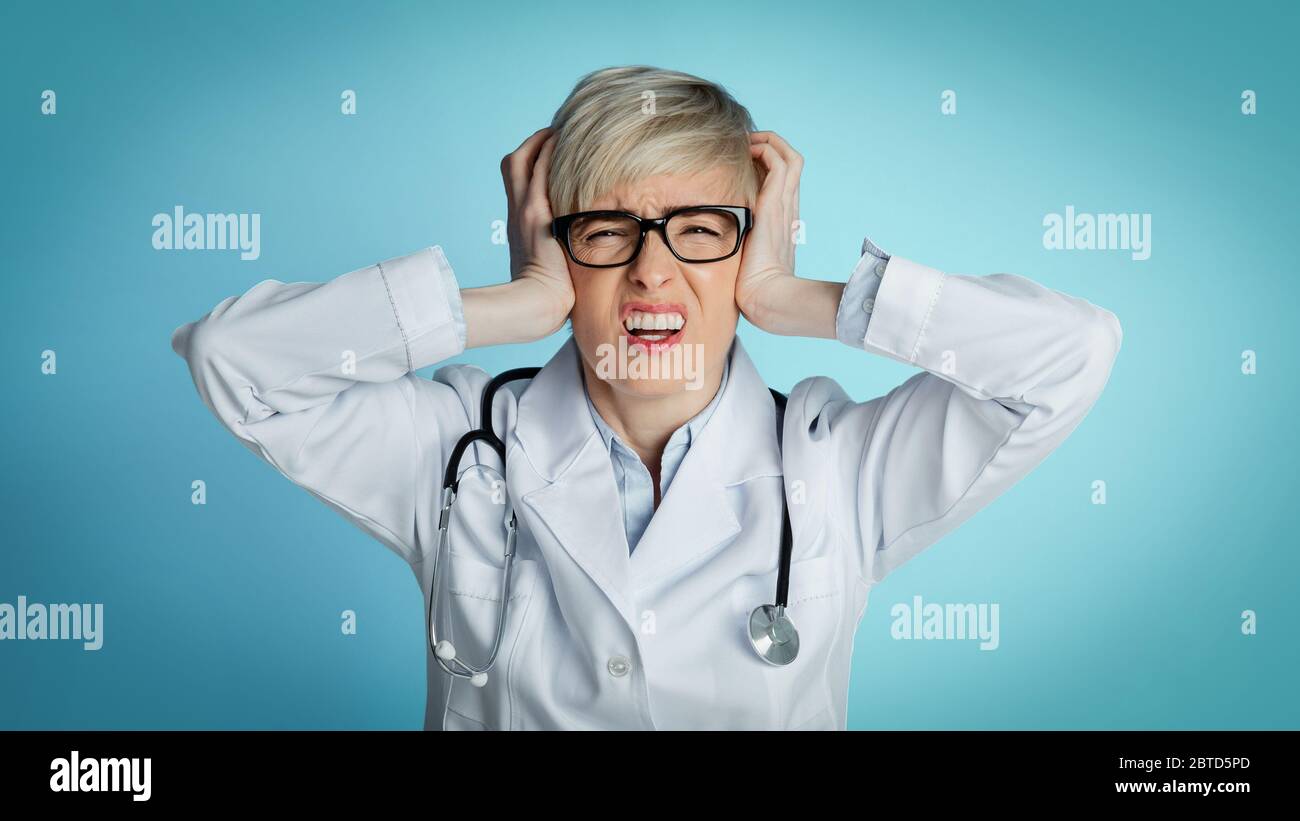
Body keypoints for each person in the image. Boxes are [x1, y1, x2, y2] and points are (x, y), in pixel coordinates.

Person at [170, 65, 1122, 730]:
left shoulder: (839, 465)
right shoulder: (456, 449)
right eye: (608, 230)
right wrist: (513, 304)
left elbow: (1069, 353)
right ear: (558, 243)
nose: (652, 273)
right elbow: (235, 357)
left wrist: (804, 300)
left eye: (700, 229)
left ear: (749, 247)